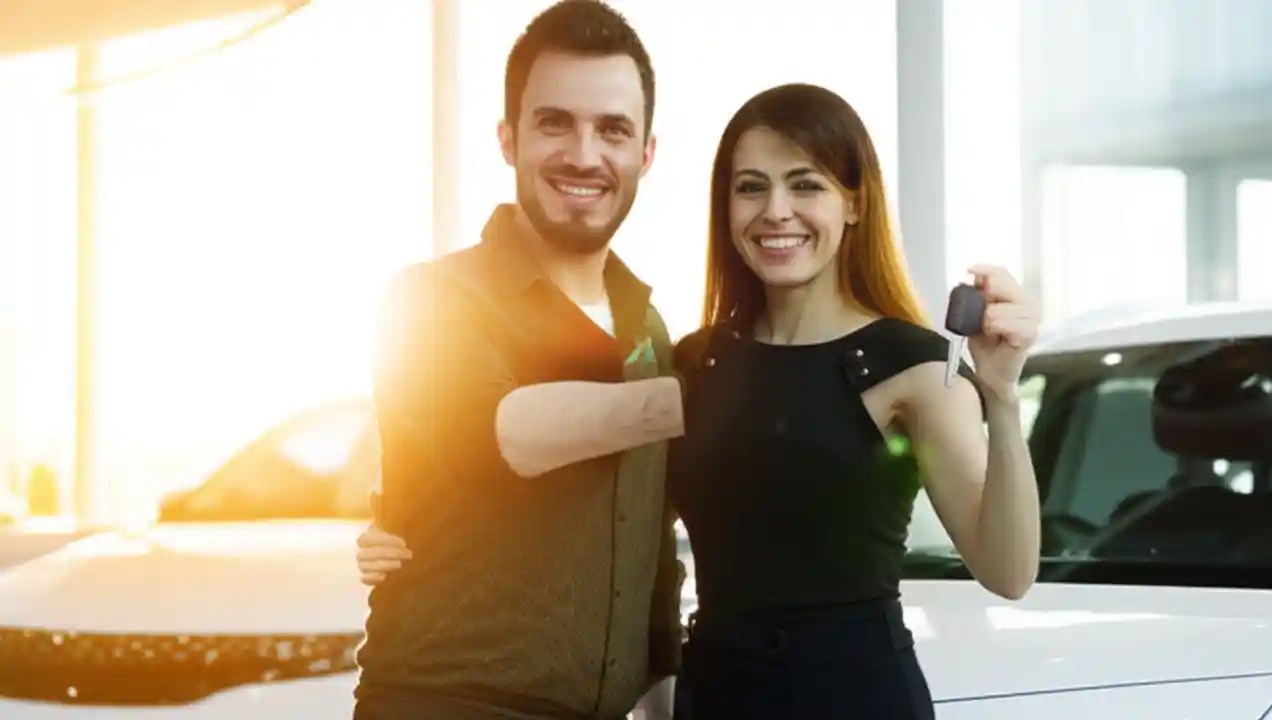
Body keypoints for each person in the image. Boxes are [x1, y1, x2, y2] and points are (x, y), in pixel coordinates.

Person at [359, 75, 1043, 720]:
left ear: (855, 203)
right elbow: (608, 514)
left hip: (855, 694)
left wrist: (1002, 397)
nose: (776, 212)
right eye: (751, 188)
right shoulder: (691, 365)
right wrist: (406, 527)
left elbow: (1008, 572)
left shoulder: (914, 366)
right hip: (716, 690)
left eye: (805, 185)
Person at [351, 1, 686, 718]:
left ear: (646, 154)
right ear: (508, 139)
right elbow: (501, 437)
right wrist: (709, 396)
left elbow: (651, 558)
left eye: (613, 130)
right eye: (555, 122)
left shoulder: (649, 330)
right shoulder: (429, 299)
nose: (585, 155)